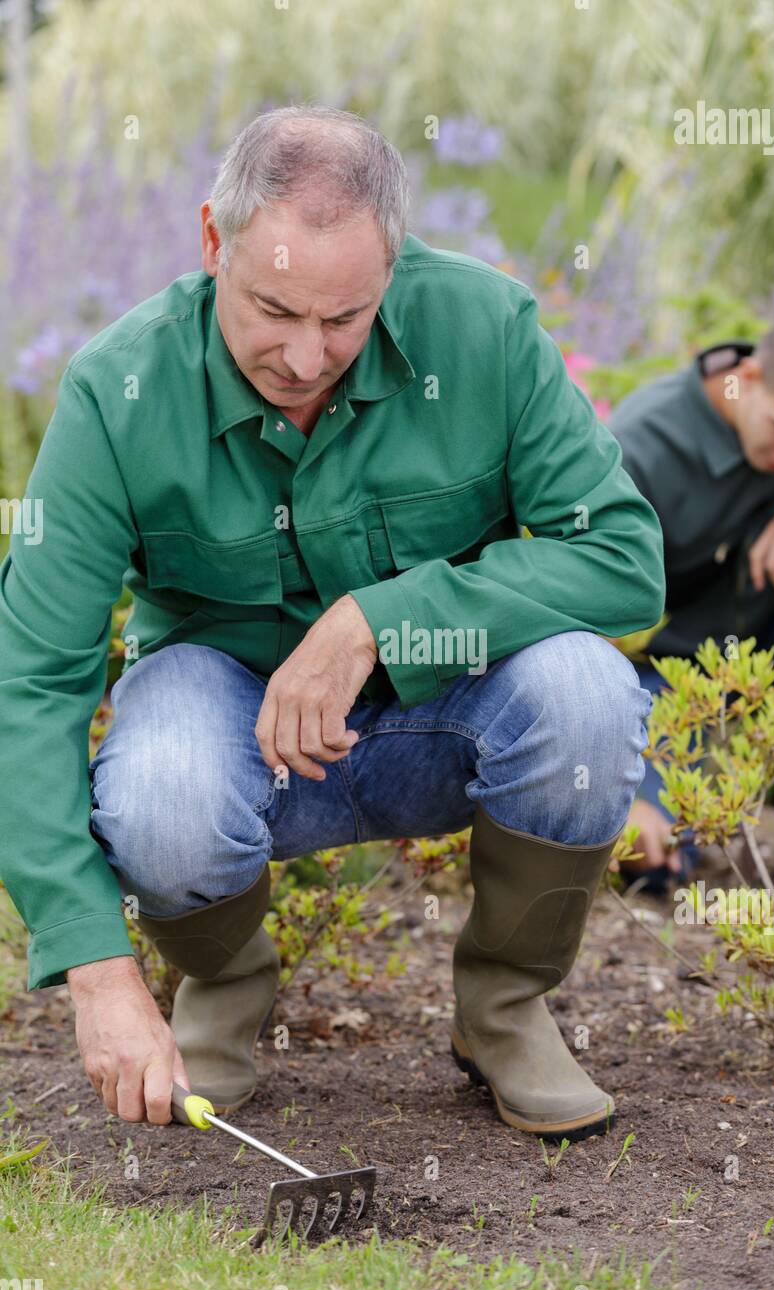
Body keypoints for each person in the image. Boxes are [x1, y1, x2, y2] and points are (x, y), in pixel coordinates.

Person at [0, 105, 665, 1141]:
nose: (307, 359)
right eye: (273, 309)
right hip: (236, 738)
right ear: (212, 239)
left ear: (391, 264)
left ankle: (503, 1008)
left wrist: (379, 619)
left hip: (444, 716)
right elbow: (31, 683)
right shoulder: (116, 392)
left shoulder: (483, 329)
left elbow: (621, 557)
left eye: (343, 319)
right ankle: (220, 987)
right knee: (159, 794)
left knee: (585, 689)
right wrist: (96, 968)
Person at [607, 314, 774, 889]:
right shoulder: (641, 448)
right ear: (746, 378)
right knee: (647, 857)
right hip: (683, 677)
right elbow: (579, 627)